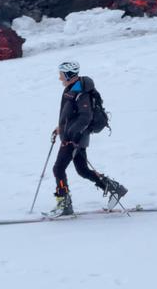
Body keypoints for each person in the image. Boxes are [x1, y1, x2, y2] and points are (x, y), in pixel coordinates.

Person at [47, 61, 127, 217]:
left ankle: (64, 204)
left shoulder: (81, 92)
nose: (59, 78)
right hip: (74, 136)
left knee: (58, 169)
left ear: (69, 75)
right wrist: (60, 127)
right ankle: (114, 188)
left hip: (74, 138)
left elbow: (85, 117)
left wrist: (70, 134)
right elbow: (71, 115)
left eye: (61, 75)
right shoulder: (72, 89)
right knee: (82, 170)